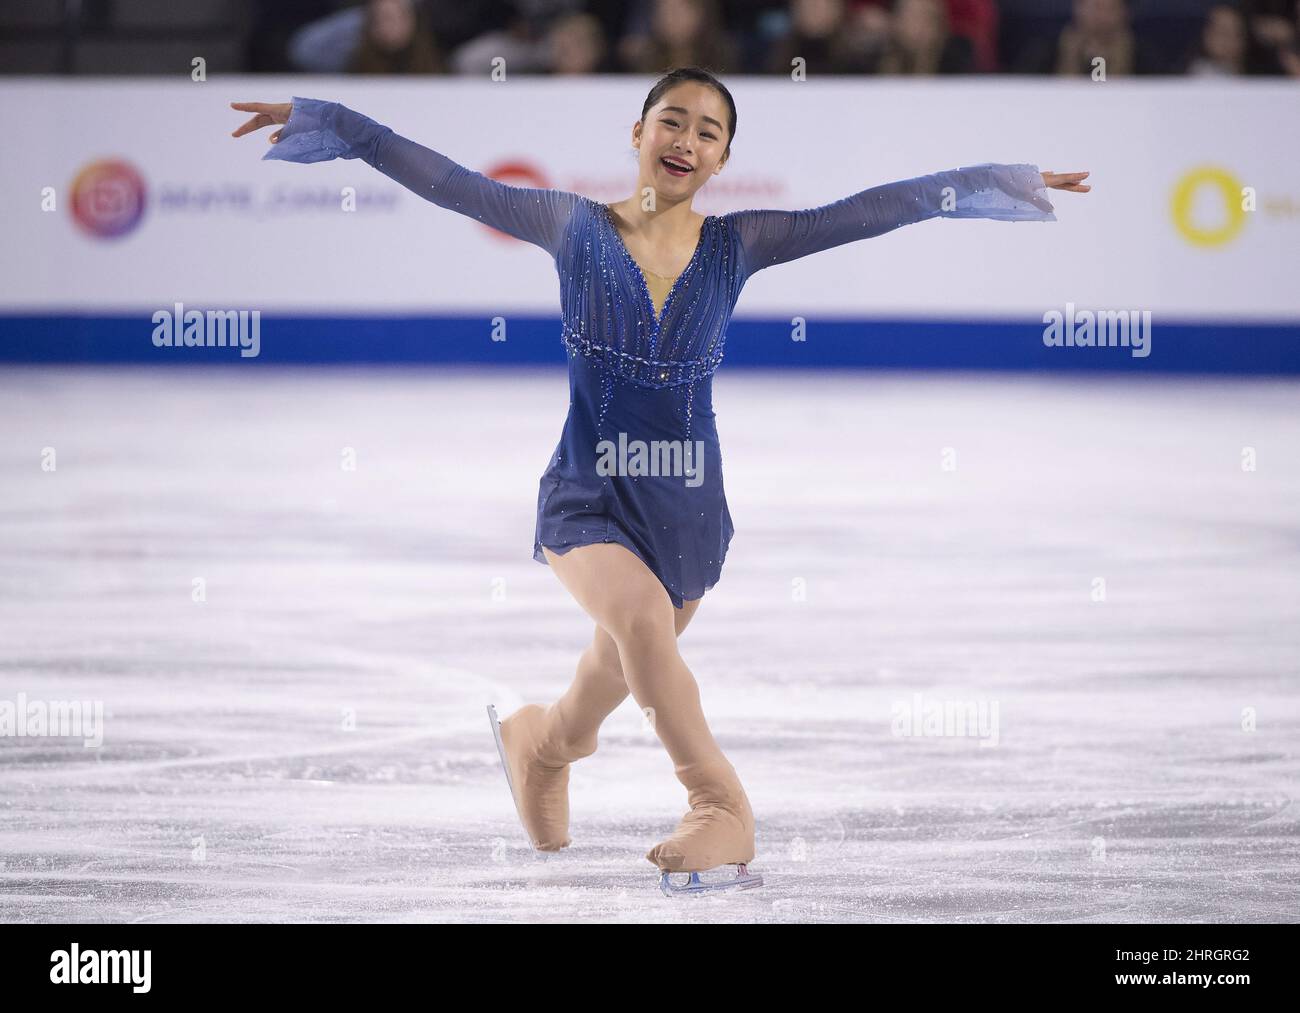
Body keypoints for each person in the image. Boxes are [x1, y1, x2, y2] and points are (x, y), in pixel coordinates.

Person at [230, 67, 1088, 885]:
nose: (686, 139)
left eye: (708, 131)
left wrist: (1001, 181)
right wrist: (332, 122)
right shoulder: (571, 224)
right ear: (638, 132)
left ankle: (541, 747)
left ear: (722, 160)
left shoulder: (740, 244)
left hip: (687, 504)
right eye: (672, 120)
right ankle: (718, 801)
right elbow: (446, 179)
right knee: (641, 620)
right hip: (587, 490)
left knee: (623, 659)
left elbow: (874, 210)